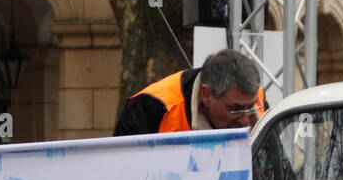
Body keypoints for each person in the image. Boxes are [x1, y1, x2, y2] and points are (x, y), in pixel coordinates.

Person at [113, 48, 265, 136]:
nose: (245, 121)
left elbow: (278, 174)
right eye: (235, 109)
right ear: (206, 95)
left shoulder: (258, 100)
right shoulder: (151, 108)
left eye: (250, 107)